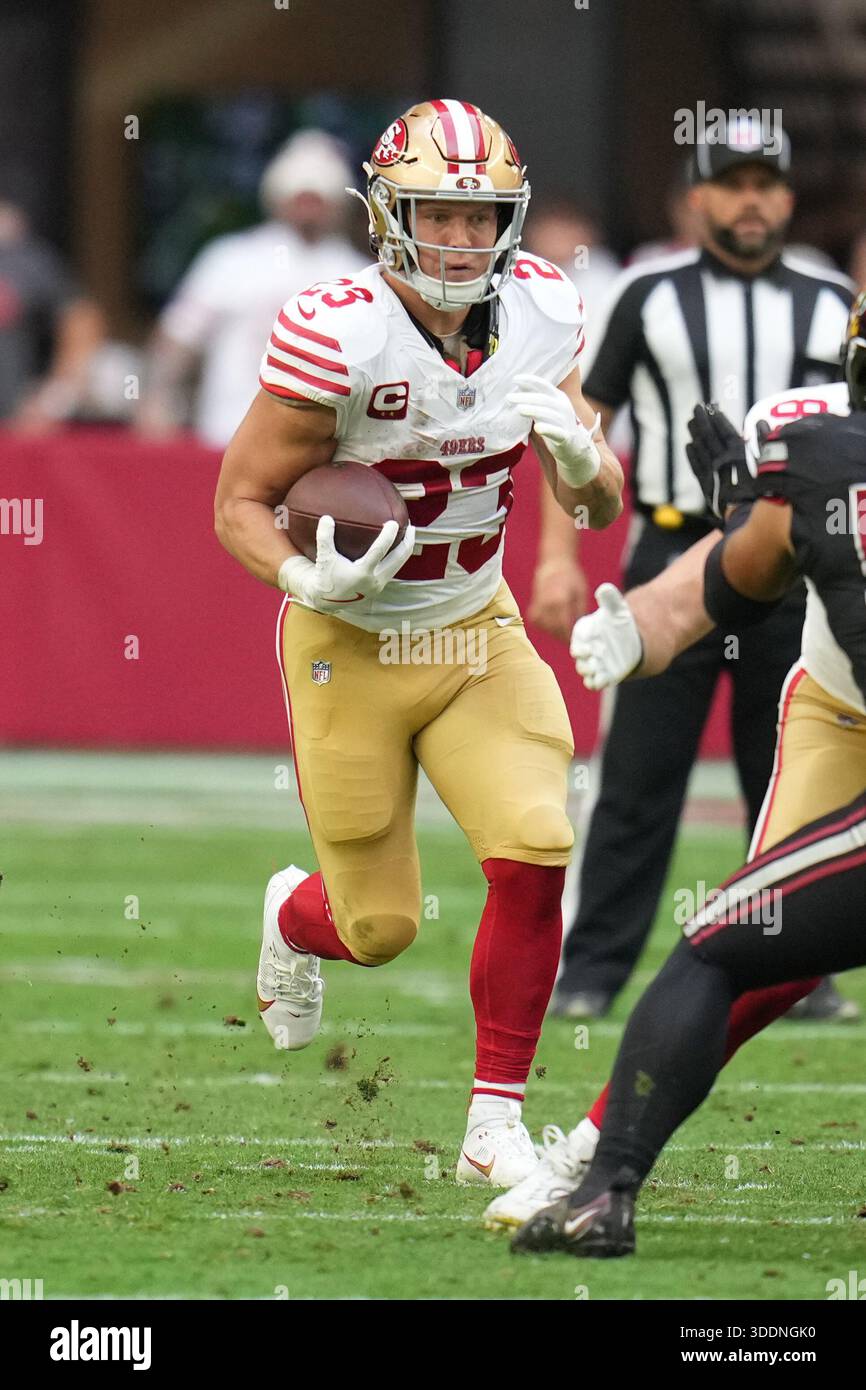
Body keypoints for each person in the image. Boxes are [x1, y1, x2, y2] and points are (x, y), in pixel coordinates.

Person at [213, 99, 623, 1188]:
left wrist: (581, 472)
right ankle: (294, 920)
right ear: (387, 217)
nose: (457, 239)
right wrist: (305, 573)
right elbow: (239, 502)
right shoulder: (337, 329)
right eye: (434, 215)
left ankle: (493, 1125)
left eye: (477, 216)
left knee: (535, 845)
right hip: (348, 639)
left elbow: (597, 494)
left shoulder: (539, 309)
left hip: (472, 625)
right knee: (380, 925)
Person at [483, 294, 866, 1237]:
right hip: (843, 708)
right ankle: (595, 1164)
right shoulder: (817, 459)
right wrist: (645, 626)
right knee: (761, 942)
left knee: (733, 941)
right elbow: (735, 572)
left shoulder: (818, 455)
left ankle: (597, 1173)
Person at [532, 120, 855, 1023]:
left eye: (767, 183)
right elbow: (576, 432)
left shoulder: (835, 301)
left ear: (789, 199)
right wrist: (559, 558)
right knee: (637, 778)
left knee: (795, 773)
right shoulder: (647, 293)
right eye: (733, 181)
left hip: (797, 561)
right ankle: (592, 968)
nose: (751, 198)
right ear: (698, 197)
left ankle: (802, 970)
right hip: (673, 552)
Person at [137, 130, 368, 449]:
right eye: (301, 197)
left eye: (317, 199)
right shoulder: (232, 259)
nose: (308, 209)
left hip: (323, 454)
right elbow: (179, 337)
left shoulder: (358, 275)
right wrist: (155, 400)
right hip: (226, 437)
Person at [0, 199, 106, 429]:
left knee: (118, 374)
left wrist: (55, 399)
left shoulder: (18, 258)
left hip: (11, 430)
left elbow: (80, 318)